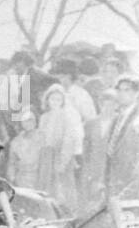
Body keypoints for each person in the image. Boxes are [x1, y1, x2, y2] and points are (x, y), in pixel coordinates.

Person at [104, 75, 139, 199]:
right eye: (119, 90)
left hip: (132, 180)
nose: (122, 94)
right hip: (114, 180)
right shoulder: (116, 118)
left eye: (127, 90)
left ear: (136, 93)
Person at [35, 84, 83, 213]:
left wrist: (63, 161)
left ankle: (68, 214)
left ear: (63, 101)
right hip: (46, 156)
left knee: (63, 188)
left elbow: (69, 140)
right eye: (52, 99)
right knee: (47, 188)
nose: (55, 102)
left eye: (58, 99)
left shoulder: (67, 116)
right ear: (47, 100)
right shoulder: (44, 117)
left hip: (61, 155)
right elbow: (40, 139)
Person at [5, 108, 42, 191]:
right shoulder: (16, 141)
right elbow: (12, 163)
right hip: (21, 180)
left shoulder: (43, 138)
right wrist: (11, 179)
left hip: (39, 178)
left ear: (36, 121)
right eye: (25, 120)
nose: (28, 123)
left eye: (31, 120)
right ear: (21, 123)